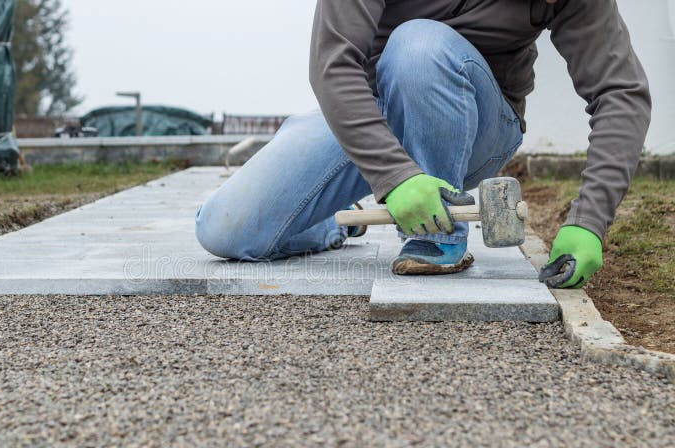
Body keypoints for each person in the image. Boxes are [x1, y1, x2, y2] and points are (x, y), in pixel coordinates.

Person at [196, 0, 651, 289]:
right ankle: (344, 223)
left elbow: (620, 93)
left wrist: (588, 221)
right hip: (373, 108)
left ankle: (435, 238)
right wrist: (394, 177)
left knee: (418, 46)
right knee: (223, 229)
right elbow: (334, 63)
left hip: (480, 127)